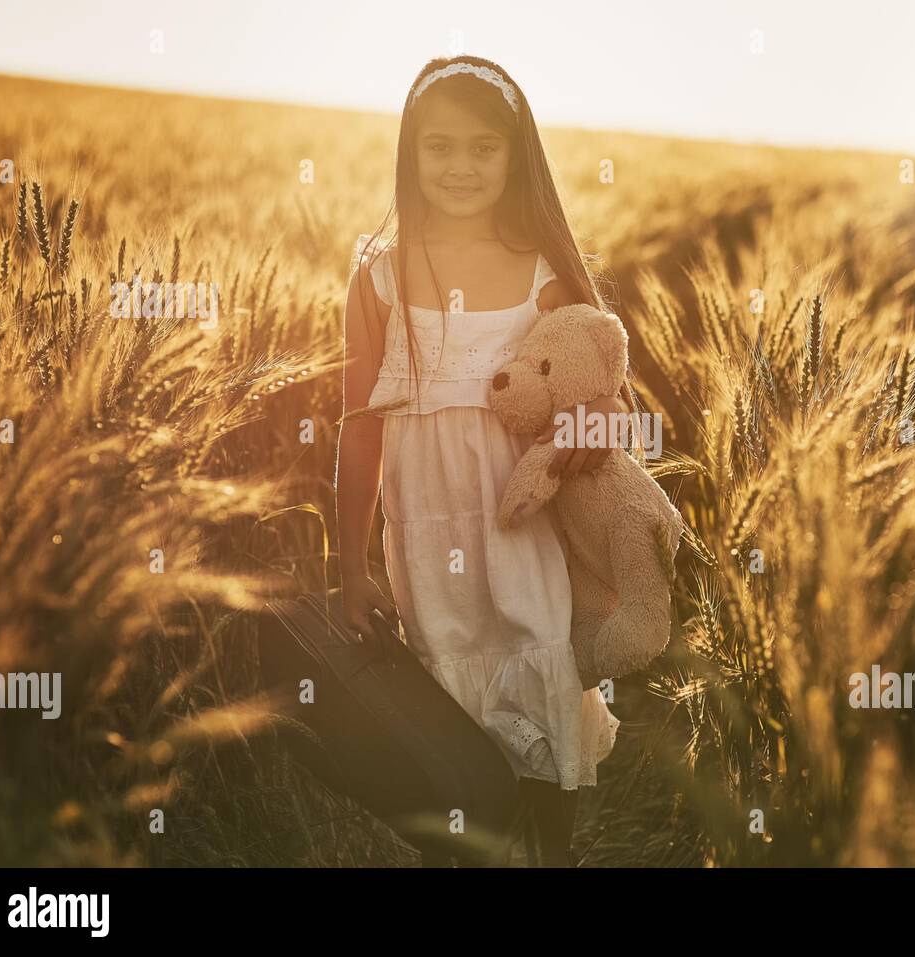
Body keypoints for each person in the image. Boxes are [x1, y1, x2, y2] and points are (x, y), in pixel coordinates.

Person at [335, 55, 633, 867]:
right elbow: (356, 426)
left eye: (482, 148)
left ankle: (551, 853)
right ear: (408, 152)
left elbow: (596, 394)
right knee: (449, 735)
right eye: (438, 147)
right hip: (429, 542)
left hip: (523, 528)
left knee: (538, 680)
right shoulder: (381, 278)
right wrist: (347, 563)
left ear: (517, 155)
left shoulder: (542, 277)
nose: (459, 167)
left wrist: (584, 433)